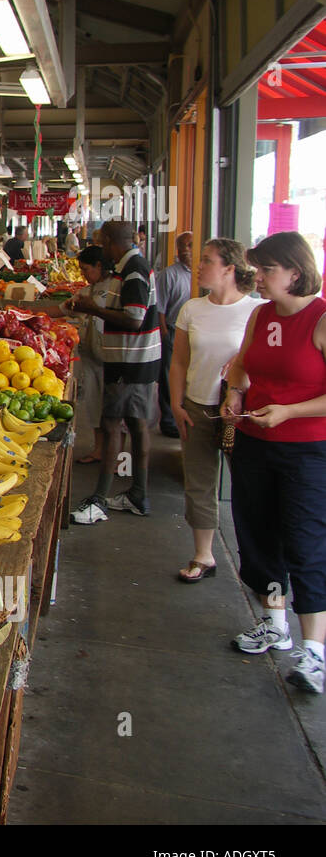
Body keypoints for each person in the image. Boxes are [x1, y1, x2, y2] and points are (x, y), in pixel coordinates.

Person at [221, 231, 326, 692]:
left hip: (308, 450)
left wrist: (289, 411)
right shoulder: (261, 315)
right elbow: (243, 363)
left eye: (266, 270)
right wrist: (235, 392)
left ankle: (315, 651)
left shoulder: (321, 319)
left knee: (304, 541)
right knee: (258, 532)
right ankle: (273, 622)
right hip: (254, 442)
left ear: (295, 273)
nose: (257, 277)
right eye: (256, 269)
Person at [171, 239, 260, 583]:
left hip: (239, 413)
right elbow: (179, 362)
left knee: (249, 486)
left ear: (229, 269)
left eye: (206, 260)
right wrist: (177, 405)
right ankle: (203, 554)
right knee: (199, 483)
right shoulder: (192, 309)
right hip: (197, 405)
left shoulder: (256, 310)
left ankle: (254, 558)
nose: (198, 266)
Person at [69, 219, 162, 523]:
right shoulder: (136, 266)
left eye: (102, 241)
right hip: (140, 360)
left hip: (129, 361)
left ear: (110, 241)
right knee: (136, 425)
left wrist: (91, 308)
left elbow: (134, 318)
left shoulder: (132, 268)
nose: (102, 248)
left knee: (112, 425)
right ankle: (138, 494)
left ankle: (100, 499)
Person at [46, 246, 116, 465]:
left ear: (99, 266)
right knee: (95, 404)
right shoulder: (87, 291)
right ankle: (98, 450)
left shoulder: (115, 288)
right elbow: (62, 309)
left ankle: (116, 458)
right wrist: (24, 313)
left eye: (86, 269)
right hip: (92, 355)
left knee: (114, 409)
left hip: (113, 357)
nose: (84, 274)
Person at [154, 231, 193, 438]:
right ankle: (169, 421)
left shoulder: (199, 275)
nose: (187, 250)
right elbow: (160, 308)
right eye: (183, 246)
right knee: (169, 377)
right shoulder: (169, 274)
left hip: (194, 334)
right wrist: (165, 333)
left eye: (191, 245)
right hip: (173, 331)